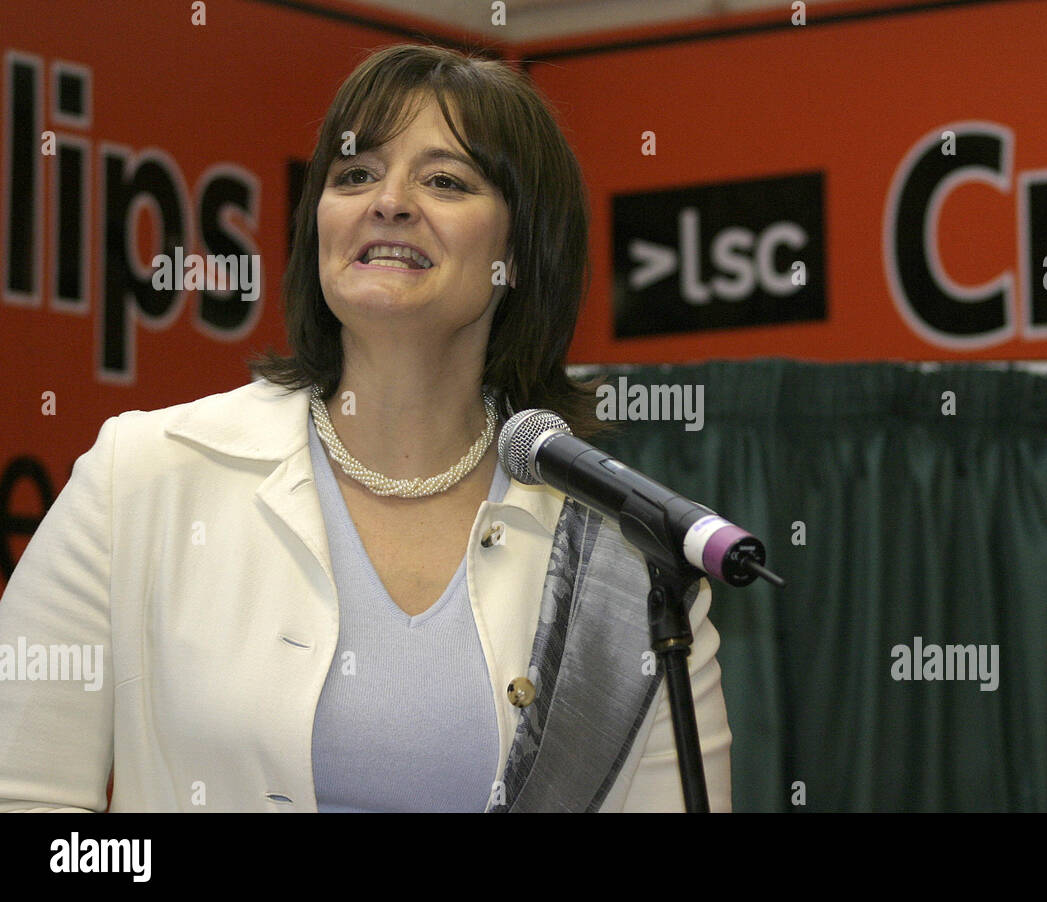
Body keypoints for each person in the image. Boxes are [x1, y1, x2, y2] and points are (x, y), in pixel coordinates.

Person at [0, 43, 731, 812]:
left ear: (516, 254)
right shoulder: (142, 474)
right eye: (354, 174)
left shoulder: (626, 562)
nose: (389, 201)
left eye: (446, 180)